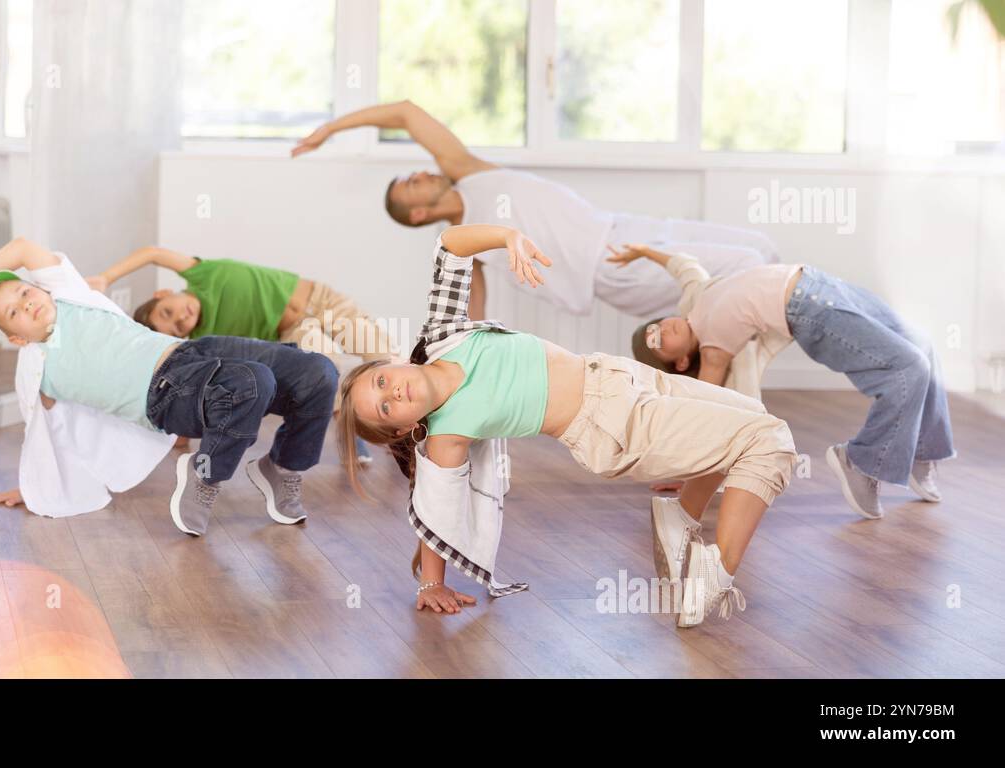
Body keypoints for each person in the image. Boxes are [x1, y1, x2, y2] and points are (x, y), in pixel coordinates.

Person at [336, 224, 796, 627]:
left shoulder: (443, 336)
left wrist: (506, 237)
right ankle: (714, 574)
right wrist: (429, 586)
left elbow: (451, 248)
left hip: (620, 374)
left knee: (753, 418)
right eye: (383, 409)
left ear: (392, 364)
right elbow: (435, 510)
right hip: (611, 425)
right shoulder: (446, 436)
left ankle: (679, 517)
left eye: (381, 381)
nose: (391, 394)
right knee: (770, 441)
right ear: (401, 429)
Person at [0, 238, 338, 536]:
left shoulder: (71, 294)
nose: (26, 305)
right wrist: (36, 488)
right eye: (13, 313)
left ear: (41, 290)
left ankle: (285, 467)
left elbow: (23, 247)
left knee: (318, 371)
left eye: (25, 293)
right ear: (16, 338)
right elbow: (45, 434)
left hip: (195, 350)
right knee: (254, 382)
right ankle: (205, 475)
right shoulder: (41, 367)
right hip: (165, 396)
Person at [292, 99, 778, 321]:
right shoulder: (469, 242)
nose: (420, 174)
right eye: (410, 185)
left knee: (760, 248)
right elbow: (473, 313)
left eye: (414, 172)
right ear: (417, 214)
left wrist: (329, 130)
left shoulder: (469, 170)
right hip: (610, 267)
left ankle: (742, 350)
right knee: (749, 269)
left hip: (624, 226)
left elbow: (404, 112)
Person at [615, 244, 954, 520]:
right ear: (682, 362)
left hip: (820, 281)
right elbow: (706, 410)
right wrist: (690, 472)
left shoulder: (696, 296)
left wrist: (643, 252)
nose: (661, 331)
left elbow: (682, 265)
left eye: (653, 328)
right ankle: (861, 462)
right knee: (909, 368)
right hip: (811, 309)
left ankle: (921, 453)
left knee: (924, 345)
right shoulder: (716, 348)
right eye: (657, 343)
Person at [95, 245, 397, 368]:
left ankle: (410, 425)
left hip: (323, 301)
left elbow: (152, 253)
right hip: (294, 330)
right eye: (176, 328)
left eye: (168, 311)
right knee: (326, 366)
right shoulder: (206, 338)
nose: (180, 318)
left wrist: (106, 277)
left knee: (382, 354)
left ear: (163, 293)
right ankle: (351, 424)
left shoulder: (199, 274)